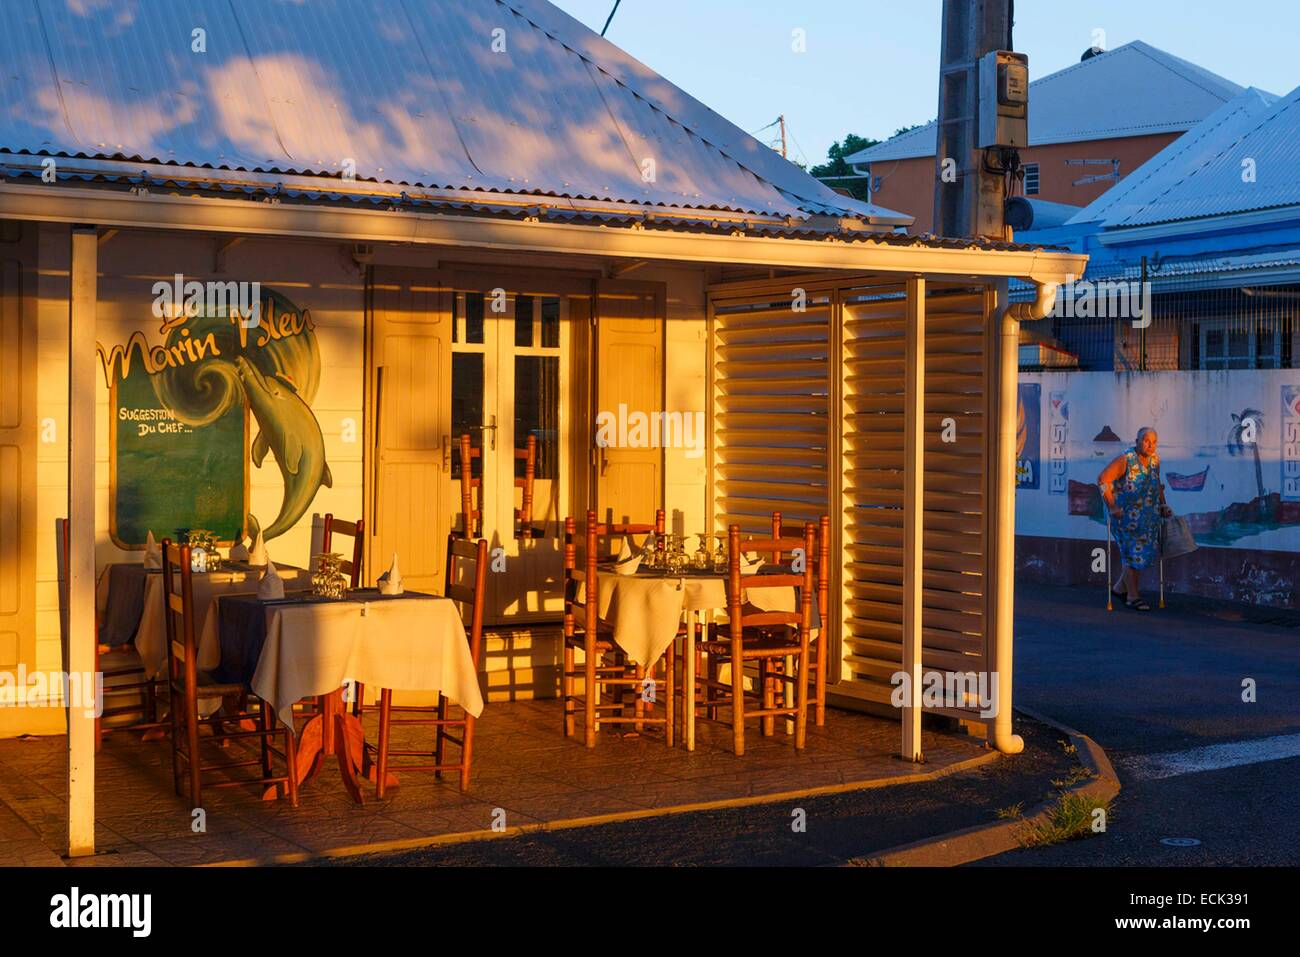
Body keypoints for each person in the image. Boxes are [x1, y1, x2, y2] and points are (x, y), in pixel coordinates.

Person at [1097, 427, 1172, 610]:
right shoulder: (1126, 459)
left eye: (1154, 442)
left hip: (1148, 518)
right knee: (1131, 555)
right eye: (1146, 440)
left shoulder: (1155, 460)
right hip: (1125, 517)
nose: (1150, 445)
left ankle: (1119, 588)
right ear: (1137, 440)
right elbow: (1103, 480)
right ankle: (1132, 596)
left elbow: (1156, 483)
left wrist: (1163, 504)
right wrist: (1112, 506)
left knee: (1140, 556)